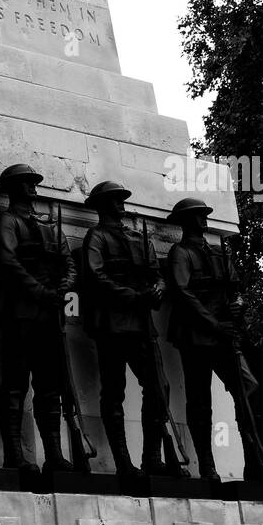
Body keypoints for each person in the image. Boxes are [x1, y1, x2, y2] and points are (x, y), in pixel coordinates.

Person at [166, 196, 263, 484]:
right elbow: (183, 294)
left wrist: (239, 304)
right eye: (197, 215)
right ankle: (208, 467)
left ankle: (257, 464)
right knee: (200, 403)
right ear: (186, 221)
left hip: (224, 336)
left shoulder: (219, 252)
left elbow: (237, 289)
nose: (203, 219)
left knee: (248, 388)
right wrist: (215, 324)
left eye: (203, 214)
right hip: (196, 336)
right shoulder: (180, 253)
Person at [81, 179, 176, 481]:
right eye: (114, 198)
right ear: (101, 205)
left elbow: (156, 275)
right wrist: (133, 296)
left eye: (121, 198)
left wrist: (159, 289)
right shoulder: (96, 237)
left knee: (160, 389)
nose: (120, 202)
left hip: (142, 324)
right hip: (112, 324)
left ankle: (152, 458)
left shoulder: (138, 237)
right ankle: (123, 462)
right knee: (114, 392)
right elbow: (96, 276)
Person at [0, 164, 77, 473]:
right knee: (15, 383)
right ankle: (14, 454)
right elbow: (8, 261)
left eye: (32, 182)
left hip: (50, 311)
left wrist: (64, 287)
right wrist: (40, 291)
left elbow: (68, 262)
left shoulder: (51, 224)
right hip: (20, 310)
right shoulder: (7, 221)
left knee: (50, 385)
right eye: (25, 182)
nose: (31, 186)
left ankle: (53, 454)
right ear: (12, 188)